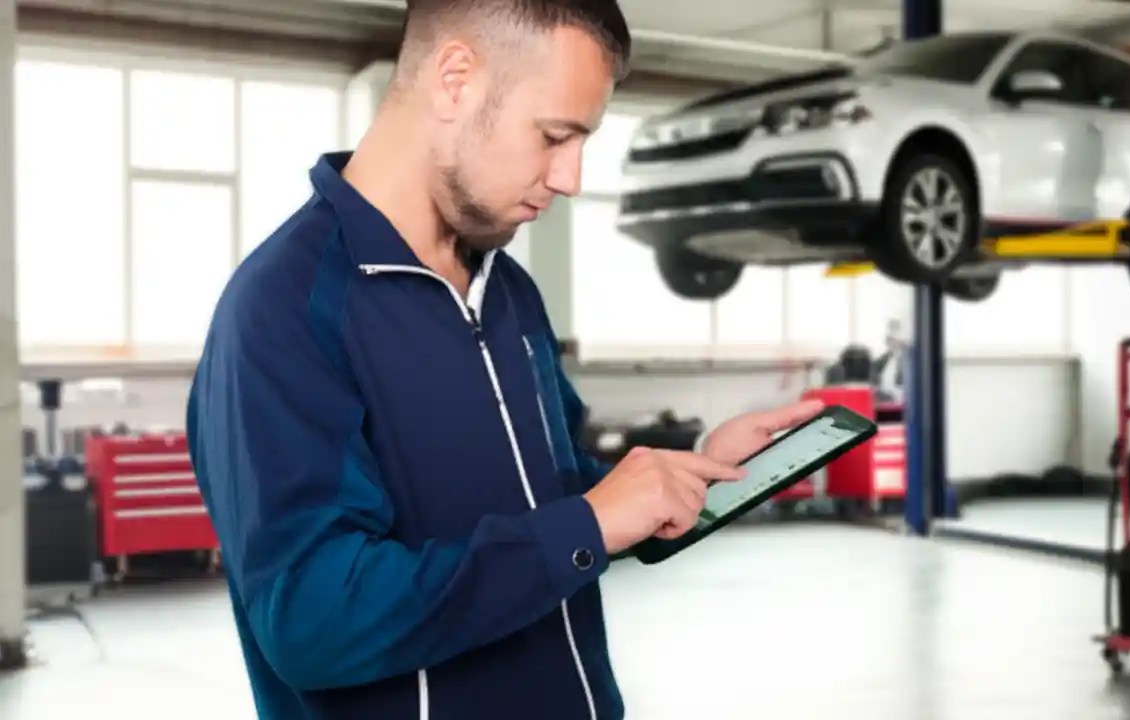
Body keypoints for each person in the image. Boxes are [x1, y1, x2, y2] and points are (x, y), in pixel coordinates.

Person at [185, 1, 823, 719]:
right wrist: (588, 525)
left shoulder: (507, 289)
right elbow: (311, 621)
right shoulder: (282, 311)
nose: (571, 176)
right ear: (455, 79)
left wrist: (691, 465)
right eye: (555, 135)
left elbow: (558, 492)